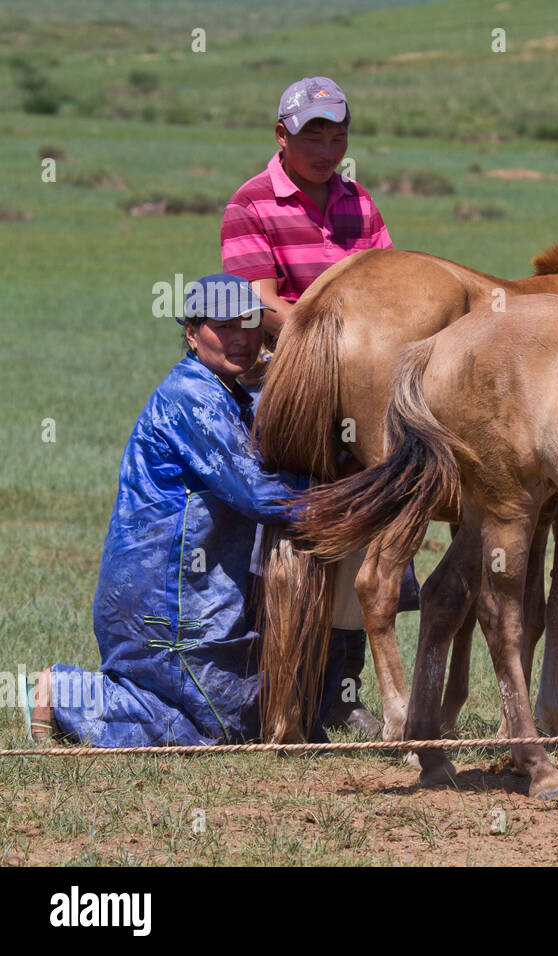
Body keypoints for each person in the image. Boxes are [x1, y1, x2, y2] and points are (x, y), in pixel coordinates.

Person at [27, 275, 315, 746]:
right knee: (233, 729)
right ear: (191, 333)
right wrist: (351, 497)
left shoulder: (230, 394)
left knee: (261, 715)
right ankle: (64, 692)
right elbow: (260, 494)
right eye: (224, 326)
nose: (242, 337)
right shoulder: (191, 398)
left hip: (193, 595)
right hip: (168, 603)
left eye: (250, 322)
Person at [220, 76, 405, 734]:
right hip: (288, 389)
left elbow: (390, 291)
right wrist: (344, 349)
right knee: (294, 536)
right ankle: (283, 689)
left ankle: (343, 687)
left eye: (337, 134)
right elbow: (261, 307)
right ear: (282, 138)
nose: (327, 148)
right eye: (312, 136)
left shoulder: (360, 205)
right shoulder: (251, 205)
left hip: (362, 389)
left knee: (361, 527)